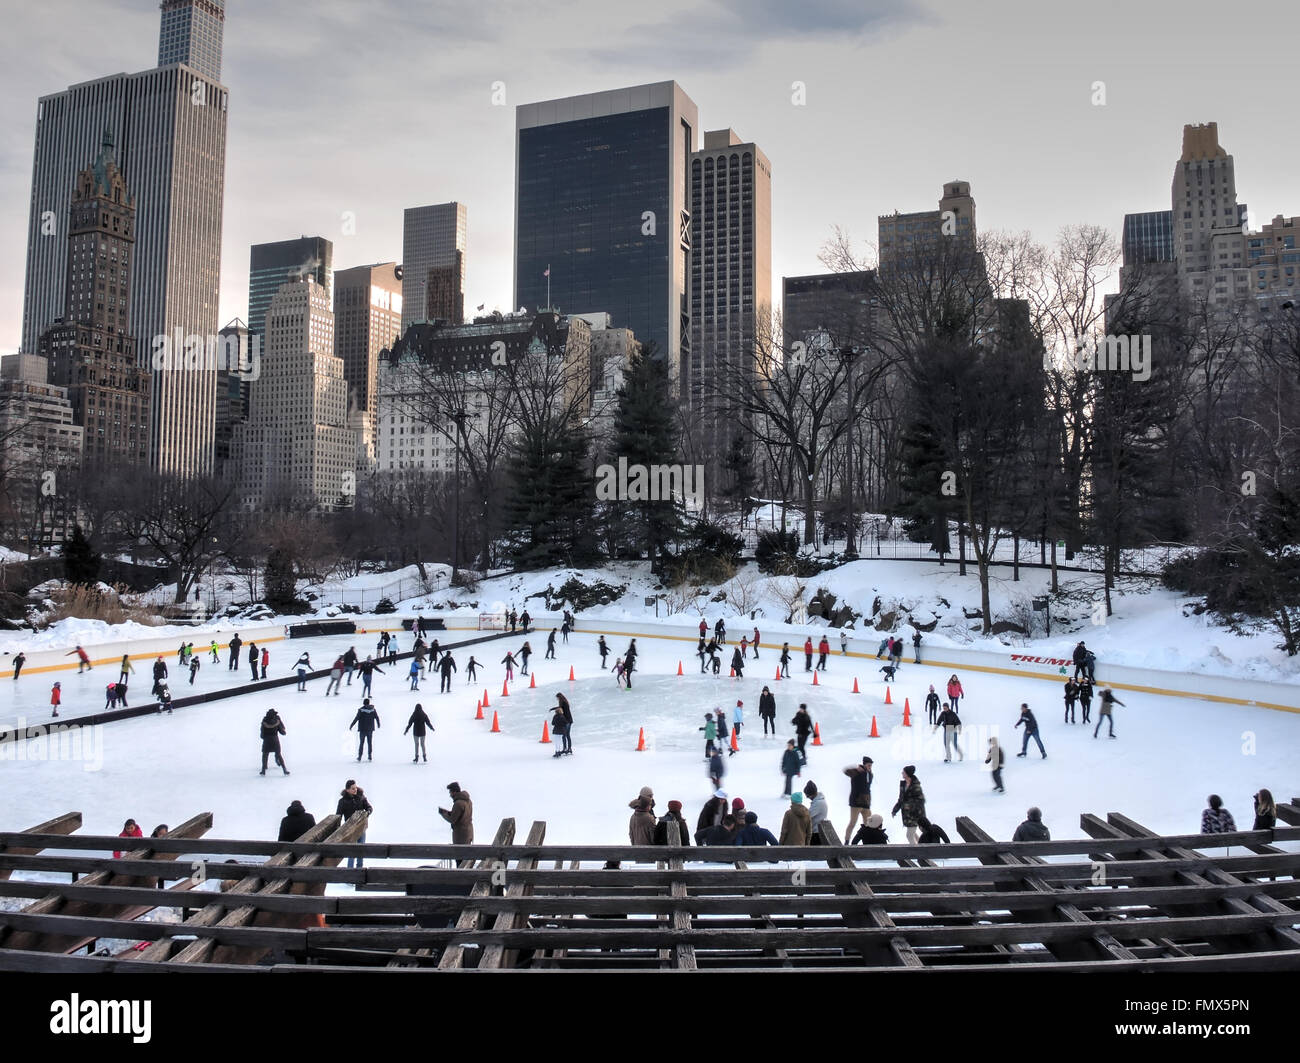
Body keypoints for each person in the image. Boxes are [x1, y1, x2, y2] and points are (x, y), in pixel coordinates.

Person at [337, 780, 373, 869]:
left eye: (355, 788)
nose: (355, 790)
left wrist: (367, 812)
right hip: (350, 829)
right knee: (352, 851)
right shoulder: (342, 801)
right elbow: (338, 816)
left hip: (361, 827)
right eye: (353, 788)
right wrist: (339, 829)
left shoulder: (361, 797)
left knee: (361, 850)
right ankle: (350, 871)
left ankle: (359, 870)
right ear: (347, 790)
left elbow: (369, 807)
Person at [891, 765, 927, 844]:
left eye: (903, 772)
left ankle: (917, 852)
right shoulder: (903, 785)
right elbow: (901, 799)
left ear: (907, 774)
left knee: (909, 835)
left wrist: (909, 805)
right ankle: (921, 848)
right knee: (912, 834)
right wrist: (895, 810)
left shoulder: (916, 786)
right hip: (907, 815)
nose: (902, 773)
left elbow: (920, 800)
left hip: (916, 814)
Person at [843, 756, 874, 841]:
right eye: (868, 765)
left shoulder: (870, 774)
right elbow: (845, 771)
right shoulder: (856, 772)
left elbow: (867, 788)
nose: (870, 767)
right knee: (852, 823)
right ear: (864, 764)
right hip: (856, 803)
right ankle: (847, 841)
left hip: (866, 804)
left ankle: (868, 841)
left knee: (868, 824)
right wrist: (856, 768)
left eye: (871, 765)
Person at [259, 709, 289, 775]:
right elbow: (282, 732)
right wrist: (283, 731)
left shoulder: (264, 721)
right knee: (278, 754)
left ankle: (263, 770)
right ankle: (284, 769)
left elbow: (262, 733)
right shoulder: (277, 721)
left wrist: (263, 737)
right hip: (275, 740)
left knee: (265, 755)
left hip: (267, 740)